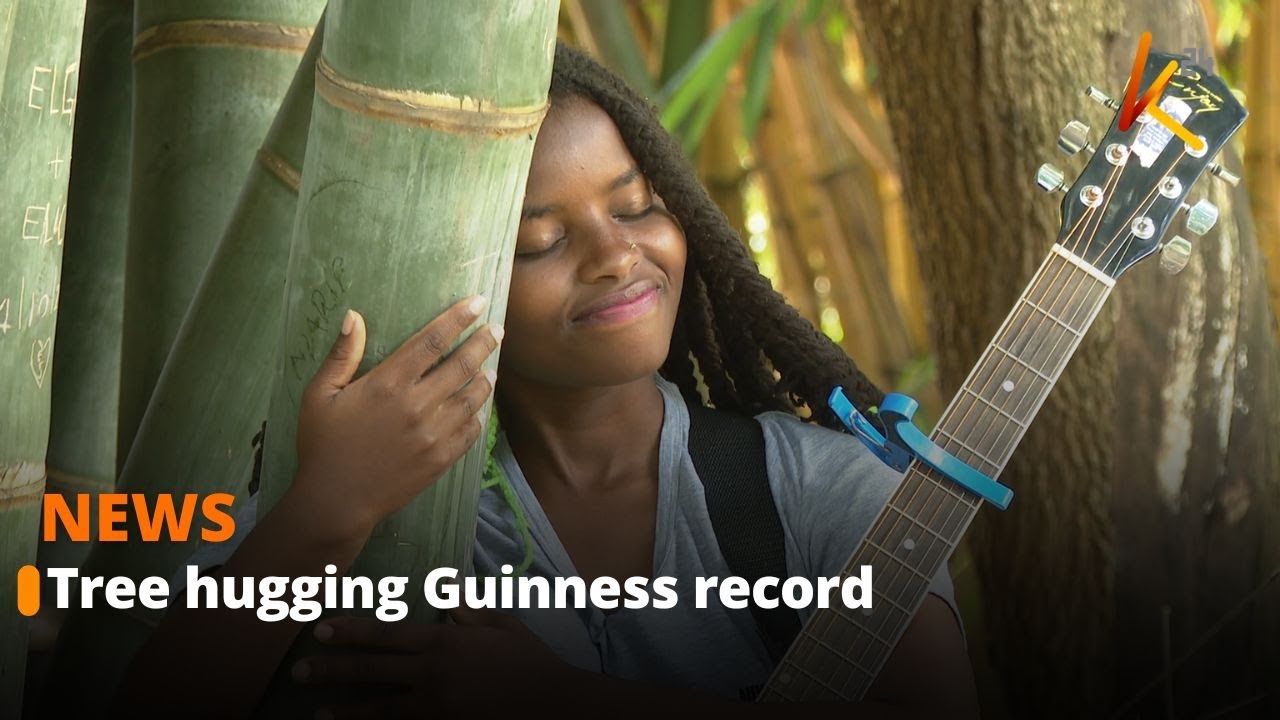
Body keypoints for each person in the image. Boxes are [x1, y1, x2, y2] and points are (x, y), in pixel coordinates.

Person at [115, 42, 979, 717]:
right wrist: (325, 512)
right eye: (540, 241)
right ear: (460, 274)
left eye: (637, 205)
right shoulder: (383, 509)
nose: (616, 258)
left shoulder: (815, 486)